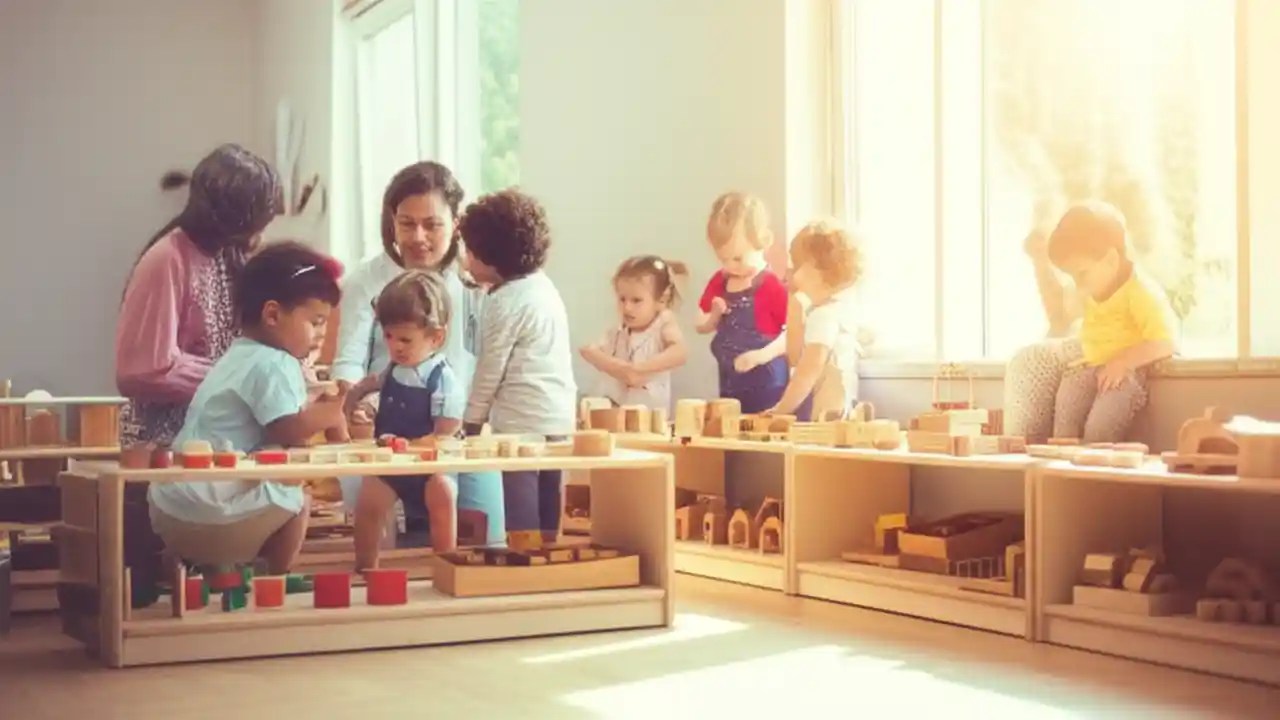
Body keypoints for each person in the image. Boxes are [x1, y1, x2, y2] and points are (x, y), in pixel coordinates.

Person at [115, 143, 280, 603]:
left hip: (211, 428)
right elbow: (141, 369)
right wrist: (235, 377)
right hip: (159, 437)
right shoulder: (166, 259)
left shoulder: (228, 256)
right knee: (152, 585)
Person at [330, 161, 504, 545]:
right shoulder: (366, 281)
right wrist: (356, 402)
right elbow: (348, 360)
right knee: (392, 548)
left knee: (489, 544)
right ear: (391, 221)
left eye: (432, 224)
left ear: (456, 223)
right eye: (407, 224)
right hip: (390, 435)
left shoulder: (474, 281)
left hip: (460, 435)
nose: (418, 236)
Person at [147, 241, 347, 573]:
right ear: (272, 314)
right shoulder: (276, 362)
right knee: (296, 500)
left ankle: (206, 568)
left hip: (169, 506)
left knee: (266, 480)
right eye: (316, 322)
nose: (321, 335)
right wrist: (329, 413)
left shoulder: (236, 355)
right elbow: (287, 429)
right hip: (212, 510)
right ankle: (272, 576)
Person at [460, 189, 576, 546]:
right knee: (549, 484)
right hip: (559, 410)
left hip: (523, 417)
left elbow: (490, 368)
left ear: (489, 258)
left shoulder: (504, 300)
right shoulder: (543, 286)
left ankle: (524, 552)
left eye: (469, 253)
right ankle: (549, 548)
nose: (465, 260)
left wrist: (472, 420)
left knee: (520, 484)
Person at [1005, 202, 1176, 442]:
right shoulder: (1093, 287)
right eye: (1072, 276)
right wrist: (1040, 263)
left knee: (1099, 429)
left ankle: (1092, 461)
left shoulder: (1140, 292)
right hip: (1090, 366)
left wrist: (1124, 362)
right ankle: (1062, 465)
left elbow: (1165, 342)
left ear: (1110, 260)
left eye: (1081, 274)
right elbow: (1061, 315)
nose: (1077, 283)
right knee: (1065, 411)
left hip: (1123, 373)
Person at [344, 271, 461, 568]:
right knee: (369, 503)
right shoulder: (393, 369)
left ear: (436, 337)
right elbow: (374, 389)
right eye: (388, 336)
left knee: (443, 497)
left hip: (429, 463)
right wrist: (360, 405)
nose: (395, 346)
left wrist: (419, 446)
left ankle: (444, 563)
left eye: (405, 339)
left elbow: (448, 427)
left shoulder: (440, 377)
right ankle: (365, 566)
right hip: (391, 463)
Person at [695, 192, 805, 415]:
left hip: (767, 383)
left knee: (763, 438)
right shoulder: (720, 281)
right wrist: (714, 315)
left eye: (737, 258)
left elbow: (794, 334)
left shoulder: (771, 286)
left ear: (764, 242)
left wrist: (760, 356)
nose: (730, 266)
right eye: (723, 259)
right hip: (730, 381)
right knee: (731, 433)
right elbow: (700, 324)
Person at [769, 220, 864, 420]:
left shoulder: (823, 317)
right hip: (844, 414)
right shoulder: (837, 311)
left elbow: (807, 371)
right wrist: (794, 311)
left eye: (796, 266)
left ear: (815, 270)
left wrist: (782, 409)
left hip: (827, 417)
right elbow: (795, 358)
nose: (791, 274)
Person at [579, 255, 690, 411]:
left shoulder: (663, 323)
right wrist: (597, 356)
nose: (627, 308)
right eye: (622, 299)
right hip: (618, 414)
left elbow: (680, 352)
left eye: (636, 300)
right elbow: (594, 353)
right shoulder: (617, 331)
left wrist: (639, 370)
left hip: (649, 418)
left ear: (661, 300)